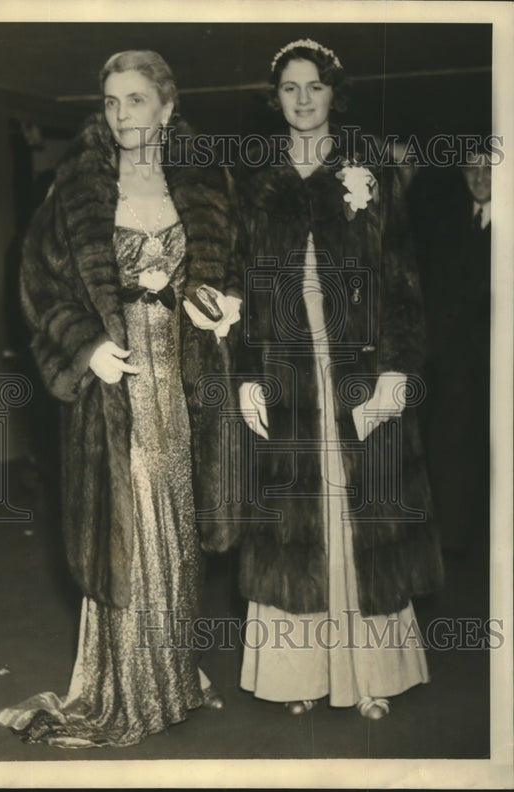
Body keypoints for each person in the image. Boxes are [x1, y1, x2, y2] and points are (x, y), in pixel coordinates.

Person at [0, 50, 241, 748]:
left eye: (134, 99)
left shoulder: (206, 179)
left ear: (166, 104)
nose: (120, 114)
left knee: (178, 528)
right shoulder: (74, 187)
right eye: (109, 101)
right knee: (127, 531)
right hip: (114, 385)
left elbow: (232, 264)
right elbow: (37, 285)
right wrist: (85, 347)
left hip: (184, 383)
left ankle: (173, 679)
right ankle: (124, 690)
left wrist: (221, 305)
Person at [233, 39, 444, 719]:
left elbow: (405, 284)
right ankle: (297, 677)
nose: (302, 100)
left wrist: (399, 372)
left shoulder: (370, 168)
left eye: (314, 87)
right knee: (298, 524)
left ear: (333, 93)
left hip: (359, 373)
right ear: (277, 97)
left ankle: (370, 676)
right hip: (286, 376)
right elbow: (242, 289)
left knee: (365, 522)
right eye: (290, 88)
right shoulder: (257, 181)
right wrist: (243, 375)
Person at [407, 152, 491, 554]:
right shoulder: (447, 224)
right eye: (472, 167)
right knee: (447, 457)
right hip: (450, 372)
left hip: (491, 372)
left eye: (491, 167)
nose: (480, 176)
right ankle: (453, 550)